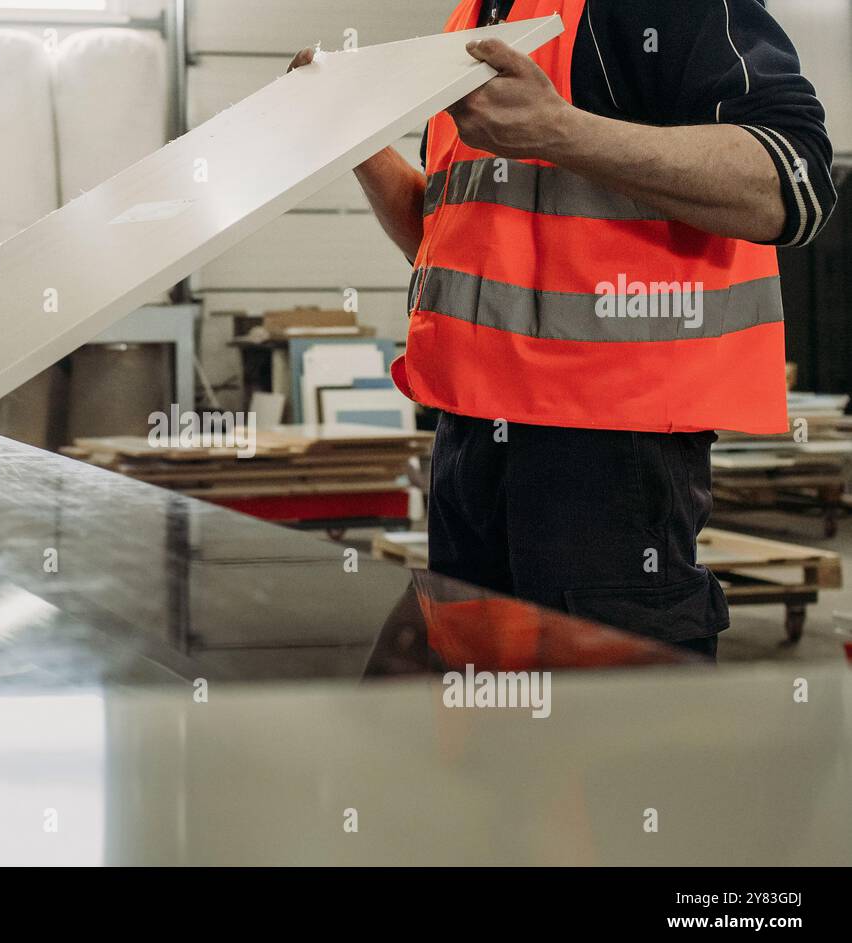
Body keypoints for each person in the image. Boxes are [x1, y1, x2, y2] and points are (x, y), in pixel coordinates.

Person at [291, 0, 836, 658]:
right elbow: (452, 246)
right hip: (469, 447)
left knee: (606, 736)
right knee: (479, 743)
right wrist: (350, 135)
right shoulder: (475, 17)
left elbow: (795, 180)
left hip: (607, 455)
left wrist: (558, 131)